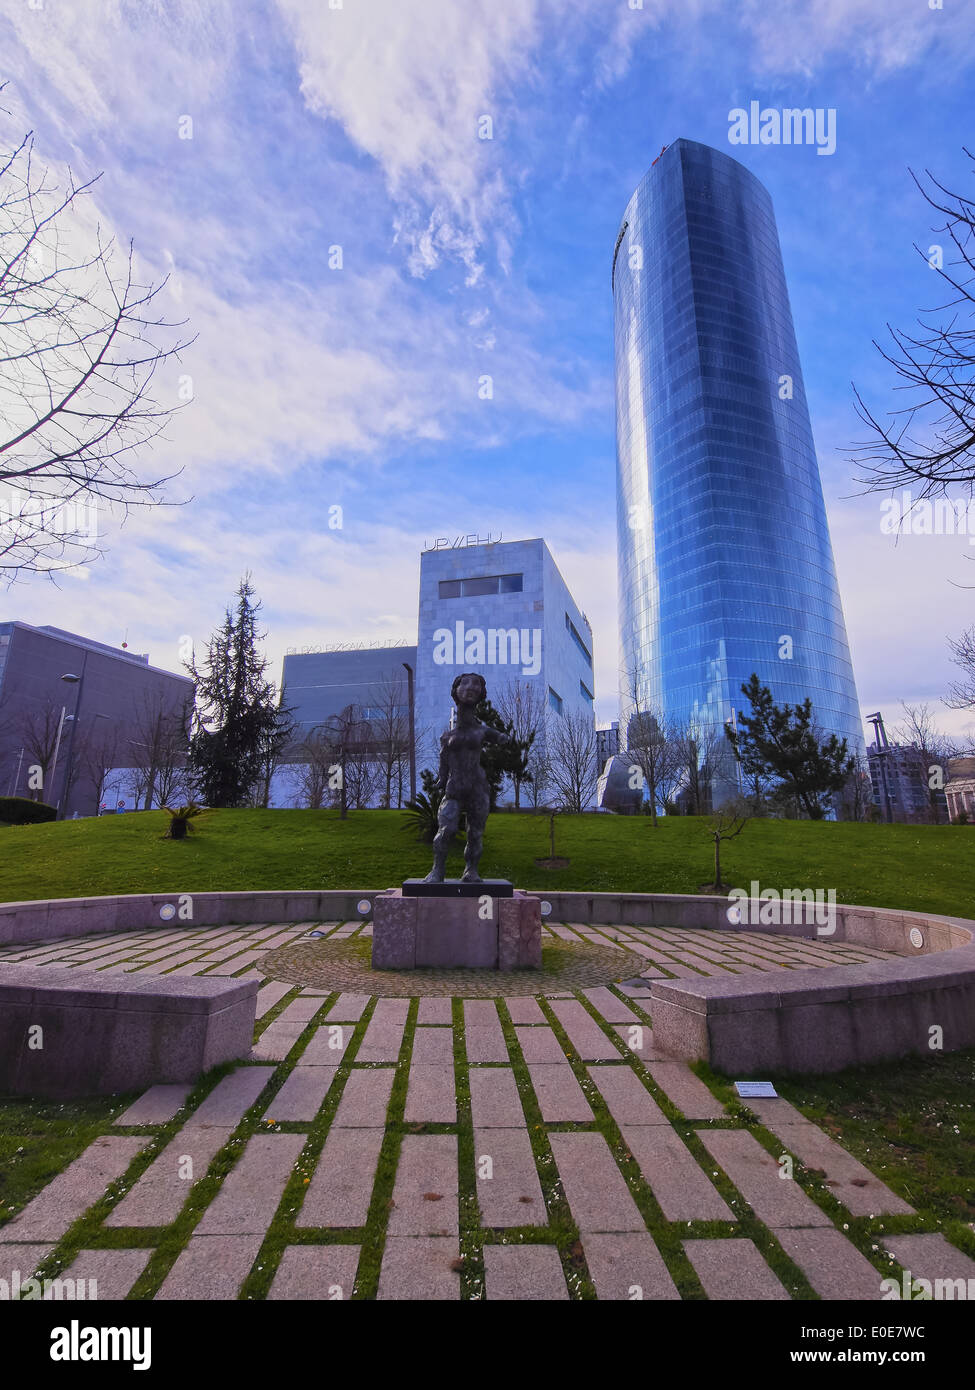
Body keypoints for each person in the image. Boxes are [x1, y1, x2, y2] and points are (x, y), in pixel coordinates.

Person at [423, 672, 509, 883]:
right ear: (456, 691)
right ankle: (437, 870)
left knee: (475, 833)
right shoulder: (447, 737)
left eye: (476, 684)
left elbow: (502, 738)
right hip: (454, 788)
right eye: (465, 683)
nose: (471, 687)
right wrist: (441, 780)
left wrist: (504, 739)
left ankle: (471, 870)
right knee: (447, 829)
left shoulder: (482, 731)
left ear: (481, 694)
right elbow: (444, 759)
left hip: (478, 788)